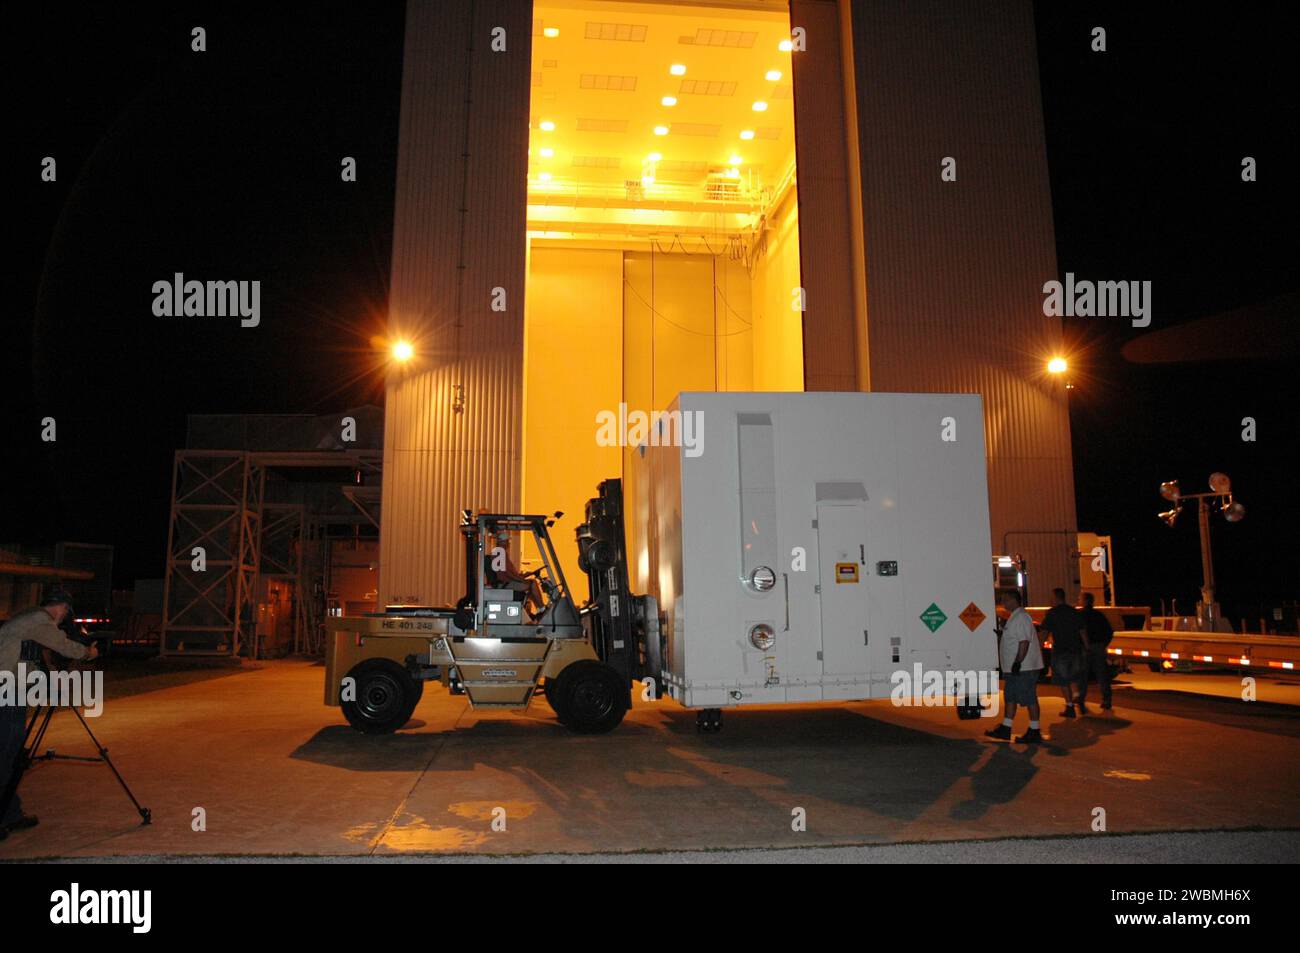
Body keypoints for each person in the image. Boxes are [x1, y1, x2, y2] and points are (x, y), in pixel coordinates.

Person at [0, 589, 97, 838]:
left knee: (10, 756)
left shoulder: (27, 619)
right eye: (66, 613)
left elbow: (37, 657)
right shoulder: (38, 621)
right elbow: (63, 645)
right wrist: (87, 653)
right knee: (6, 755)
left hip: (11, 690)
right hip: (7, 692)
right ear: (62, 608)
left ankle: (11, 814)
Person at [985, 589, 1045, 744]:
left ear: (1013, 600)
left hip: (1024, 668)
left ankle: (1034, 730)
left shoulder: (1022, 617)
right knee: (1010, 697)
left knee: (1029, 698)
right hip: (1014, 669)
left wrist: (1018, 662)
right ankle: (1006, 727)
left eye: (1005, 599)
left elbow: (1024, 641)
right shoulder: (1014, 617)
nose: (1003, 603)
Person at [1040, 586, 1088, 716]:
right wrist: (1086, 646)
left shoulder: (1052, 613)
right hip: (1075, 649)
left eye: (1052, 597)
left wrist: (1039, 646)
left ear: (1056, 597)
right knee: (1074, 675)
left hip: (1060, 650)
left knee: (1063, 679)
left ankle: (1070, 706)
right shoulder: (1073, 612)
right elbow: (1082, 630)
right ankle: (1077, 695)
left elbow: (1044, 632)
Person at [485, 529, 544, 615]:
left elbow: (507, 572)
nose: (508, 543)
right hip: (505, 584)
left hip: (506, 582)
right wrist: (521, 580)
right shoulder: (500, 553)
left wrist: (522, 576)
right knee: (532, 583)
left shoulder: (498, 552)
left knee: (529, 585)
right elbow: (507, 574)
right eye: (507, 541)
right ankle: (541, 607)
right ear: (503, 542)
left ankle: (539, 609)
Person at [1078, 592, 1114, 710]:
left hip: (1085, 648)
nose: (1079, 600)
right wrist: (1104, 644)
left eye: (1080, 599)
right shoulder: (1099, 615)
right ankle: (1106, 699)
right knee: (1101, 675)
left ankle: (1081, 700)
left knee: (1083, 675)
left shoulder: (1080, 615)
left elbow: (1077, 632)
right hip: (1098, 647)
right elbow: (1109, 631)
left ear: (1085, 601)